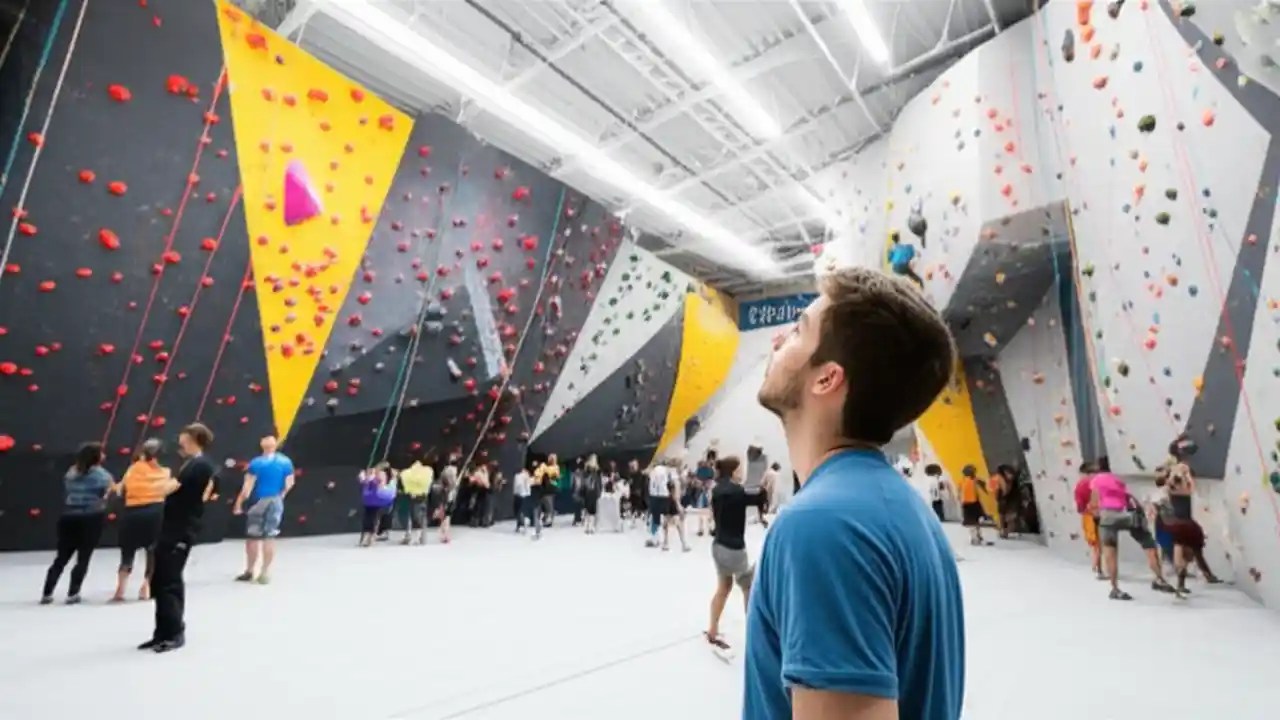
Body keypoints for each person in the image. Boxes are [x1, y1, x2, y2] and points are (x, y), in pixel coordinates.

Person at [745, 267, 964, 720]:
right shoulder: (906, 512)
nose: (776, 342)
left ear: (826, 378)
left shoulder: (822, 526)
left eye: (797, 331)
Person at [141, 423, 217, 653]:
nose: (180, 442)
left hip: (181, 530)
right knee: (161, 580)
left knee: (170, 581)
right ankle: (161, 632)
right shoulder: (191, 464)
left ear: (194, 438)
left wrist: (159, 485)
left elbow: (172, 489)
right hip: (171, 528)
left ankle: (174, 632)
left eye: (184, 438)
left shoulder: (200, 465)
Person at [1091, 456, 1175, 600]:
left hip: (1108, 517)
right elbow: (1127, 498)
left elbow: (1094, 502)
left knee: (1111, 552)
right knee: (1148, 544)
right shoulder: (1118, 480)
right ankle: (1159, 579)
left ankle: (1115, 588)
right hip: (1127, 516)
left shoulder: (1096, 480)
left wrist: (1097, 517)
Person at [705, 456, 766, 654]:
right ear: (733, 471)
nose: (742, 473)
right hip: (735, 549)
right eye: (740, 469)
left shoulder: (716, 489)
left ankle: (713, 629)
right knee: (748, 589)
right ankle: (754, 636)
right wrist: (764, 487)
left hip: (718, 546)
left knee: (724, 587)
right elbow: (756, 499)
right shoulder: (736, 491)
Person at [42, 442, 113, 605]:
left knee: (61, 558)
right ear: (96, 457)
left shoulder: (71, 472)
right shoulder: (102, 475)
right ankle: (73, 592)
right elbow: (110, 490)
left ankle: (47, 592)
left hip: (68, 518)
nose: (105, 455)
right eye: (101, 453)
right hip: (91, 519)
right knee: (83, 557)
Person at [110, 439, 170, 602]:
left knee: (127, 552)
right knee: (152, 551)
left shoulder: (132, 469)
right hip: (156, 513)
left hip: (132, 513)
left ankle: (120, 590)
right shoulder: (165, 472)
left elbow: (119, 490)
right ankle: (146, 587)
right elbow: (169, 491)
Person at [233, 434, 295, 584]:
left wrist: (238, 503)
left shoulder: (256, 463)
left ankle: (249, 571)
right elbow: (289, 484)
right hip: (276, 500)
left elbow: (247, 488)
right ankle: (265, 572)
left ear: (262, 445)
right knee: (270, 537)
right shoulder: (286, 462)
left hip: (258, 501)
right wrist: (280, 496)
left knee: (253, 537)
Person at [1073, 461, 1105, 579]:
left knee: (1095, 542)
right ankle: (1098, 567)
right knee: (1100, 541)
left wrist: (1083, 510)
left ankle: (1097, 567)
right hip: (1102, 514)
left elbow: (1079, 504)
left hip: (1088, 516)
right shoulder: (1100, 483)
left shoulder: (1081, 485)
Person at [399, 454, 434, 545]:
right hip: (423, 496)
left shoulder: (406, 473)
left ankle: (414, 537)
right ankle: (420, 537)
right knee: (421, 517)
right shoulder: (428, 471)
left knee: (413, 517)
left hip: (413, 496)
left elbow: (404, 483)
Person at [358, 466, 394, 548]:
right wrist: (364, 477)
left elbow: (381, 484)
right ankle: (366, 537)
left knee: (373, 519)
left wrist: (371, 478)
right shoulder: (368, 479)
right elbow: (363, 481)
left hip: (375, 501)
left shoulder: (377, 478)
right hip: (368, 502)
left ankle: (370, 538)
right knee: (367, 519)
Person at [958, 464, 990, 546]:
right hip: (974, 503)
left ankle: (975, 537)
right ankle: (976, 538)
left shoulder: (962, 480)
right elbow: (984, 486)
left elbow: (959, 492)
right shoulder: (975, 480)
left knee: (971, 522)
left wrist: (960, 501)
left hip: (966, 503)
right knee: (975, 522)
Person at [580, 455, 603, 534]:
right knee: (591, 510)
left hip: (591, 492)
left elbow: (599, 482)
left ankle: (590, 526)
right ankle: (590, 526)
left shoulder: (594, 470)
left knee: (590, 510)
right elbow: (599, 482)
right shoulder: (592, 470)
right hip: (591, 492)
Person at [512, 461, 533, 533]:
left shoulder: (520, 476)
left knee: (519, 511)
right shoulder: (525, 475)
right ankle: (520, 525)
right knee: (520, 511)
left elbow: (519, 485)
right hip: (523, 495)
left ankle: (522, 525)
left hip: (520, 494)